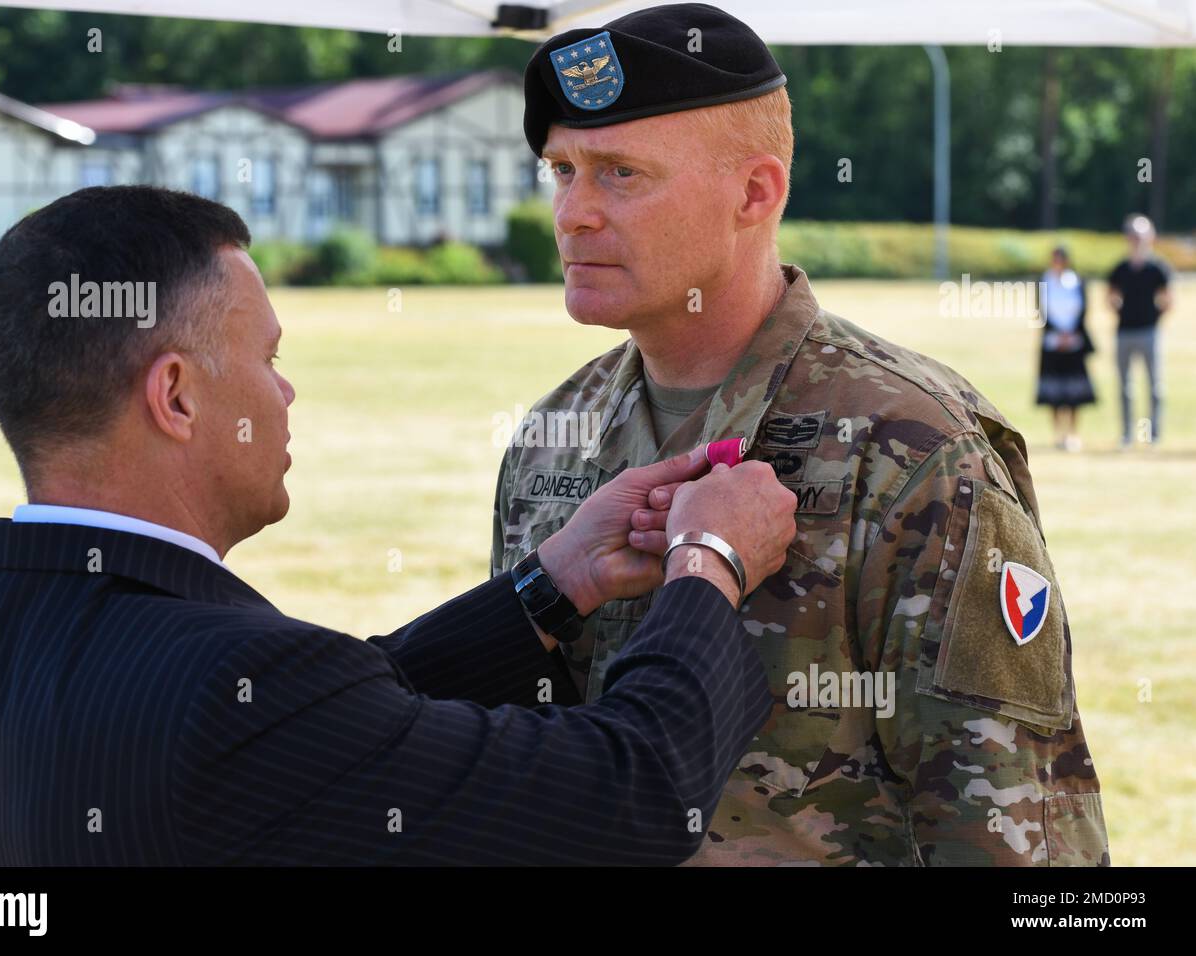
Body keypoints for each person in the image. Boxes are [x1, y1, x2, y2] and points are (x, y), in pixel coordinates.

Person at [0, 185, 802, 866]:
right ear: (177, 396)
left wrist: (552, 583)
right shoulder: (230, 685)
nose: (285, 391)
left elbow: (344, 721)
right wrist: (709, 558)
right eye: (268, 358)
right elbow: (635, 793)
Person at [494, 3, 1109, 865]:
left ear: (756, 192)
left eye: (621, 174)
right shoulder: (549, 440)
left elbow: (1015, 838)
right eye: (561, 171)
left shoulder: (916, 450)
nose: (574, 214)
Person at [1108, 213, 1172, 447]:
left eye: (1141, 235)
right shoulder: (1121, 268)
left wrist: (1154, 317)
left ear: (1150, 236)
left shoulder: (1158, 268)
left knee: (1155, 385)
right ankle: (1127, 434)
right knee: (1125, 386)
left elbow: (1167, 299)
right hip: (1124, 332)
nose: (1137, 239)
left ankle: (1153, 434)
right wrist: (1121, 312)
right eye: (1133, 235)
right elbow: (1111, 296)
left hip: (1149, 331)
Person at [1035, 246, 1095, 452]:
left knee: (1074, 392)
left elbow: (1084, 309)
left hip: (1074, 341)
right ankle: (1058, 435)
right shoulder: (1044, 282)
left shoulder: (1077, 281)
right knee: (1054, 391)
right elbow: (1040, 312)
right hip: (1052, 342)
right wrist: (1057, 333)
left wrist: (1071, 333)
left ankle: (1073, 433)